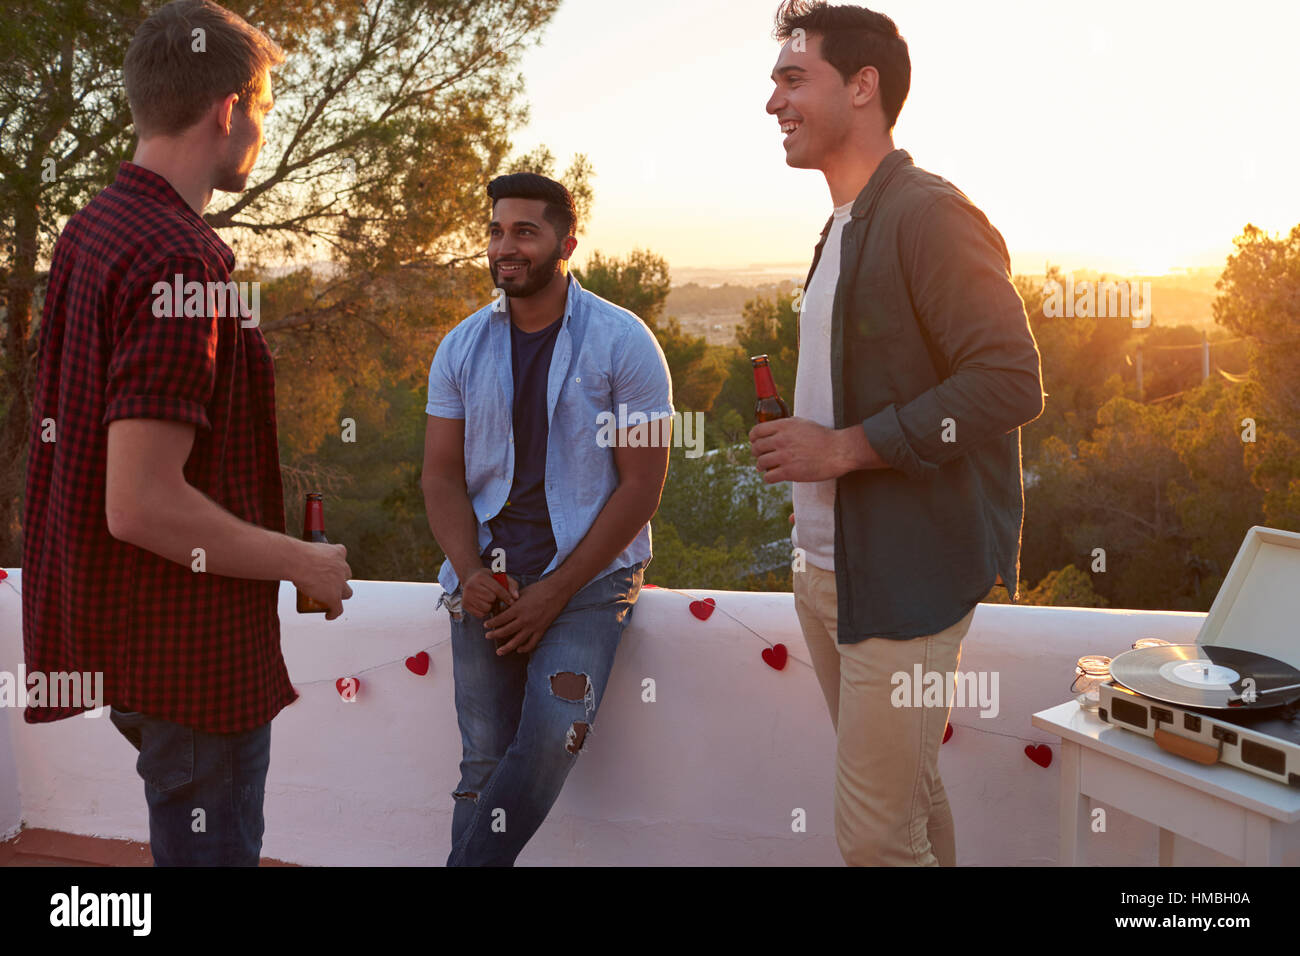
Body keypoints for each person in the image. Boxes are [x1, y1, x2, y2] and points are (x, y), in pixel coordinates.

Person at [21, 0, 352, 866]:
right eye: (267, 110)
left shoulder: (93, 229)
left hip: (128, 640)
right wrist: (300, 559)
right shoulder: (180, 259)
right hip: (191, 659)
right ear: (229, 108)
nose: (264, 131)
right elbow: (141, 504)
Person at [752, 1, 1044, 866]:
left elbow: (1009, 379)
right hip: (830, 574)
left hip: (905, 581)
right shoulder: (843, 224)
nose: (774, 103)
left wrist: (843, 448)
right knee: (909, 806)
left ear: (864, 86)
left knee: (874, 842)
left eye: (793, 79)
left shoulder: (926, 213)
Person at [422, 173, 672, 866]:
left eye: (525, 232)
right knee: (482, 765)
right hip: (487, 582)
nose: (506, 246)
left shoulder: (626, 343)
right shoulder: (461, 347)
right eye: (497, 231)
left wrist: (553, 594)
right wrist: (470, 571)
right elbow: (439, 475)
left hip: (589, 584)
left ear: (566, 242)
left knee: (552, 736)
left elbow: (641, 488)